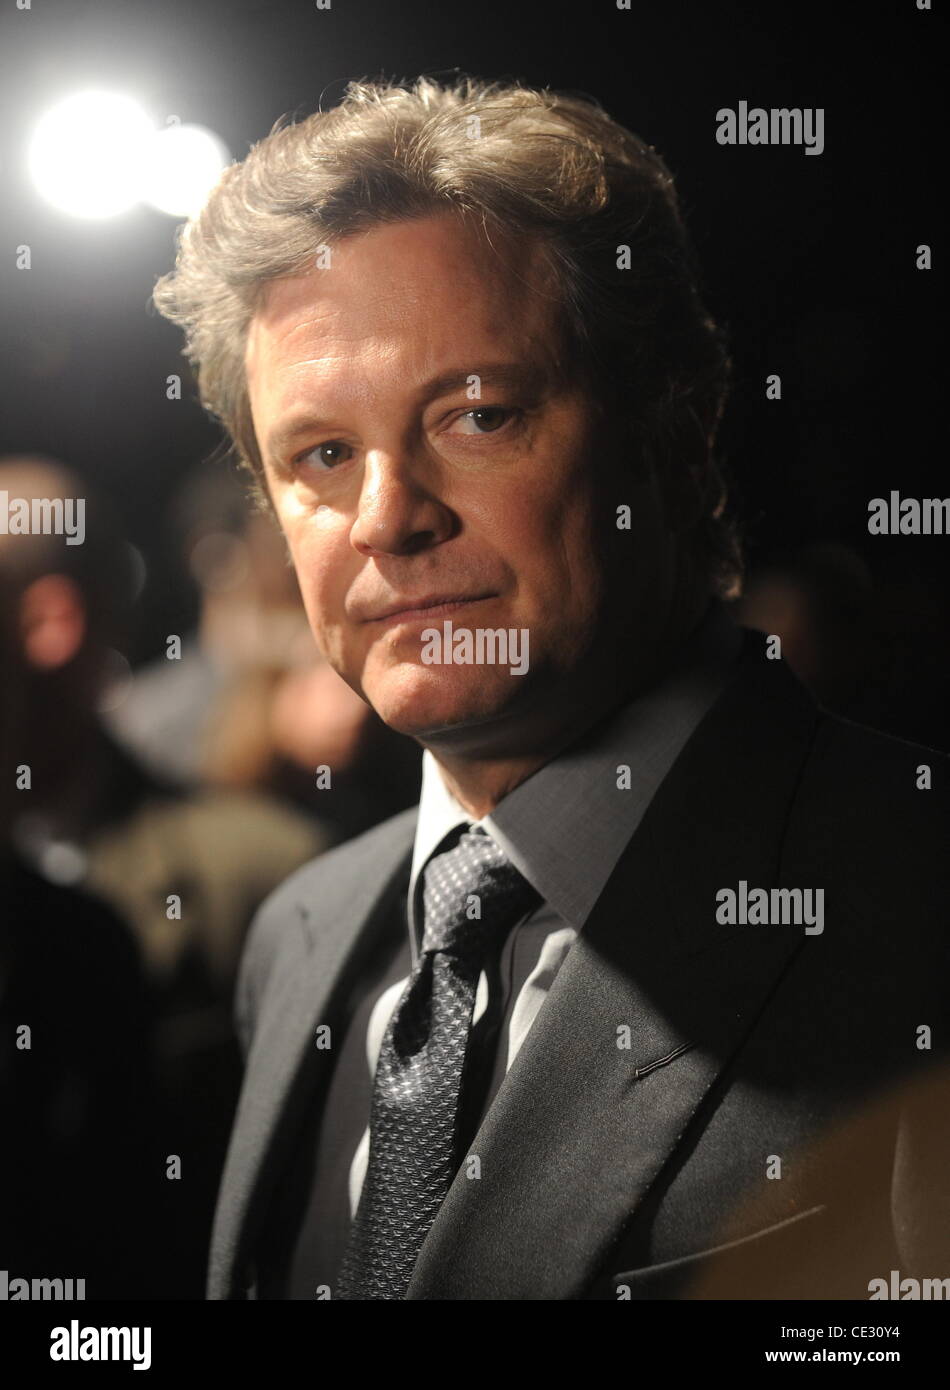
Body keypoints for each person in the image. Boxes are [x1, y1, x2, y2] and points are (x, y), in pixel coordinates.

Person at [153, 74, 950, 1300]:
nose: (385, 520)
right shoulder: (299, 933)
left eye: (475, 416)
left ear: (678, 430)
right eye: (321, 454)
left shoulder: (911, 895)